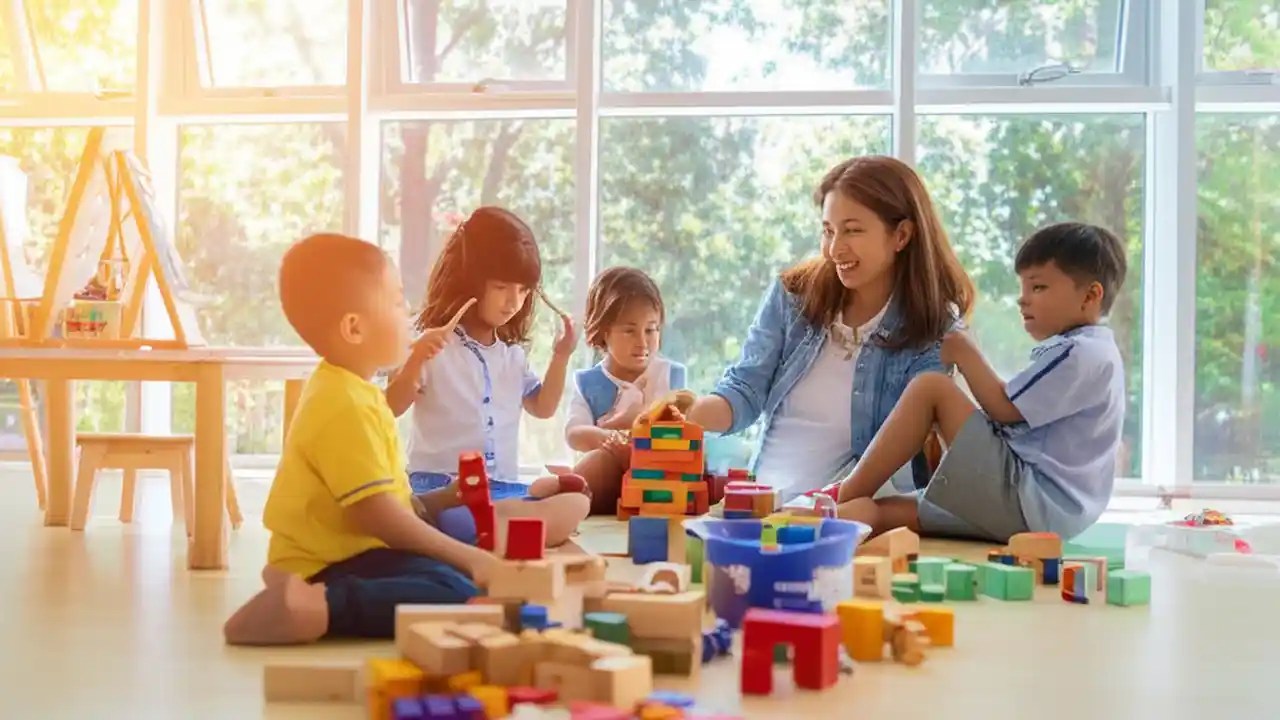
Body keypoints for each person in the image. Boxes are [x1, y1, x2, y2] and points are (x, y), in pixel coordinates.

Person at [224, 233, 492, 645]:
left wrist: (442, 499)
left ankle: (311, 593)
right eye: (399, 302)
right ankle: (319, 606)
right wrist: (474, 560)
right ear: (354, 328)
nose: (410, 314)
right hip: (330, 564)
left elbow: (380, 499)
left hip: (352, 552)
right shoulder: (343, 403)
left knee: (452, 574)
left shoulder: (352, 389)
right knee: (456, 589)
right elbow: (377, 516)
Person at [687, 155, 975, 503]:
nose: (835, 248)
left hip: (854, 514)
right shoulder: (793, 295)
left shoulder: (933, 325)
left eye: (852, 230)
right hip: (762, 505)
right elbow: (746, 389)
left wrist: (826, 504)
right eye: (828, 230)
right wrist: (688, 415)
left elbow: (908, 436)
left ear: (901, 235)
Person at [833, 222, 1129, 542]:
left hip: (1026, 497)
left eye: (1039, 288)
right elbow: (1015, 412)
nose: (1023, 300)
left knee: (930, 388)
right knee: (881, 512)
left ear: (1091, 295)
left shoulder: (1077, 353)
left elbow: (1003, 408)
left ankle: (840, 497)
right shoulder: (1099, 353)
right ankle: (838, 516)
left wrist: (965, 353)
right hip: (1043, 516)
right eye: (1023, 288)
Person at [383, 207, 590, 547]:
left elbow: (544, 407)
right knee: (458, 516)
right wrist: (417, 357)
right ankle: (497, 530)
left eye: (523, 291)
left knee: (578, 502)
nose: (514, 302)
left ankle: (494, 530)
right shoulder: (434, 346)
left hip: (501, 488)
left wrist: (561, 354)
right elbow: (390, 406)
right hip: (440, 486)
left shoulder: (511, 356)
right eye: (501, 287)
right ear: (469, 280)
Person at [562, 266, 687, 514]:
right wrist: (614, 435)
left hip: (656, 479)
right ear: (604, 332)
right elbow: (574, 433)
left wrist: (638, 432)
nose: (642, 342)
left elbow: (683, 432)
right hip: (602, 484)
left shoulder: (670, 377)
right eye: (630, 331)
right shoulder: (589, 382)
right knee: (595, 466)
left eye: (651, 330)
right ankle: (556, 501)